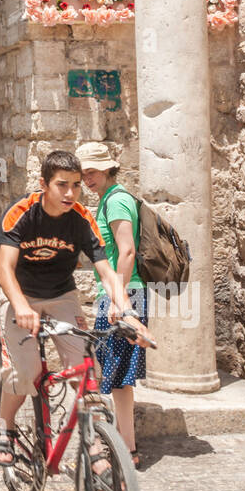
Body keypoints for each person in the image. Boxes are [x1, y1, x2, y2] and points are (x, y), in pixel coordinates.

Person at [0, 149, 149, 467]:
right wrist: (20, 306)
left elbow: (106, 271)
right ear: (43, 184)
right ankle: (4, 426)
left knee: (86, 369)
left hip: (62, 295)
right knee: (26, 371)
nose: (70, 193)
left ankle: (93, 443)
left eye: (76, 185)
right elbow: (4, 268)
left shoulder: (81, 219)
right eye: (62, 185)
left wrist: (127, 311)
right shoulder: (20, 213)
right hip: (20, 294)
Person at [77, 141, 148, 468]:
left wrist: (119, 300)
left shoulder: (116, 201)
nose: (87, 179)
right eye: (84, 174)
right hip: (121, 294)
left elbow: (127, 250)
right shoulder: (111, 198)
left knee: (117, 374)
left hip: (124, 294)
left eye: (92, 172)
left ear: (107, 169)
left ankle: (125, 449)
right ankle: (124, 445)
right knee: (117, 374)